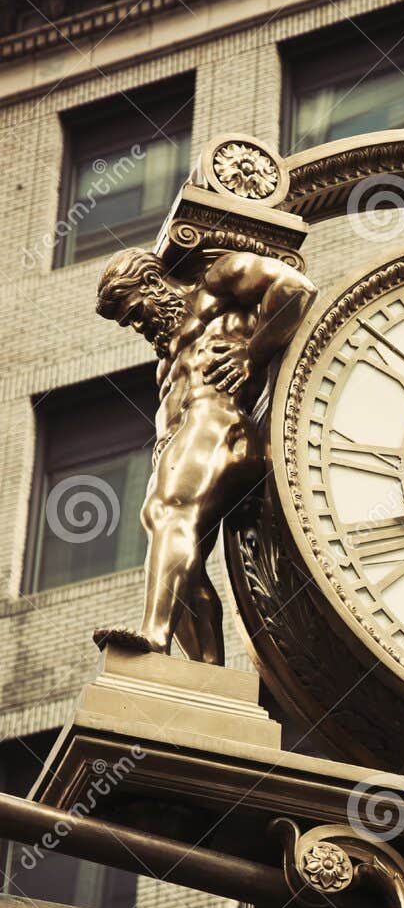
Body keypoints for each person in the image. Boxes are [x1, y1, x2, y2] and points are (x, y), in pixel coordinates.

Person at [94, 247, 315, 663]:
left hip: (220, 421)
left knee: (167, 512)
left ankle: (154, 638)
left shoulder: (219, 283)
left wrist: (252, 352)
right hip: (191, 442)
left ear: (153, 284)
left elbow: (296, 288)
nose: (139, 326)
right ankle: (206, 674)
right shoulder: (166, 362)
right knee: (181, 553)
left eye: (136, 312)